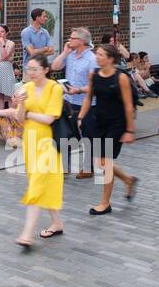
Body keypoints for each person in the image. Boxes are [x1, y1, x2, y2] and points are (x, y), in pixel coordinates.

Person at [0, 54, 64, 248]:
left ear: (46, 70)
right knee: (39, 183)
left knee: (36, 187)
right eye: (28, 69)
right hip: (30, 141)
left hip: (48, 143)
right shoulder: (27, 88)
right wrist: (22, 103)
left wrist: (29, 113)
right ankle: (57, 223)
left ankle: (27, 234)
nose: (30, 73)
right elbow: (21, 119)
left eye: (35, 69)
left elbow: (49, 118)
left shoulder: (54, 89)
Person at [79, 43, 138, 213]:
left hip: (117, 124)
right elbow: (88, 99)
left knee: (105, 162)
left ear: (111, 59)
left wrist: (130, 130)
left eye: (100, 55)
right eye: (96, 54)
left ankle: (105, 203)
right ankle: (128, 180)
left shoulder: (121, 78)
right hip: (99, 121)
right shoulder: (94, 75)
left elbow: (128, 106)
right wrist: (81, 116)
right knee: (101, 162)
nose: (96, 57)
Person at [51, 27, 96, 178]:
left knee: (87, 136)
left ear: (82, 41)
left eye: (72, 38)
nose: (69, 40)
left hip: (86, 103)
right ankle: (65, 167)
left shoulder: (92, 59)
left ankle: (88, 168)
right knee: (64, 135)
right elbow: (55, 67)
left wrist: (78, 90)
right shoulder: (70, 55)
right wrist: (65, 52)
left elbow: (94, 85)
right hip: (68, 101)